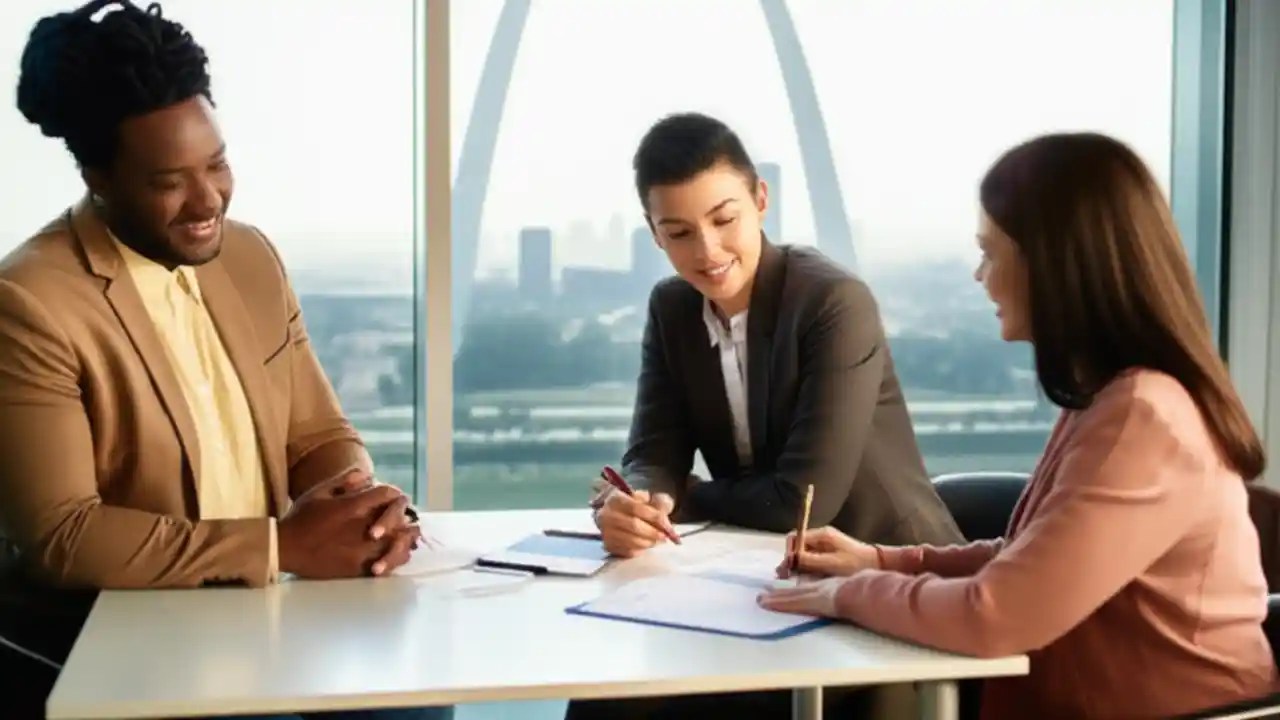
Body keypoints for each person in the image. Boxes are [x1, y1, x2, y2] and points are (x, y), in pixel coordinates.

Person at [0, 2, 449, 719]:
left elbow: (317, 434)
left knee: (414, 701)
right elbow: (64, 536)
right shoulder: (30, 301)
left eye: (217, 163)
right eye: (169, 181)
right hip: (113, 634)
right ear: (98, 177)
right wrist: (281, 546)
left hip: (262, 614)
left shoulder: (248, 256)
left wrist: (357, 511)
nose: (208, 198)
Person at [760, 132, 1280, 719]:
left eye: (991, 252)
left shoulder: (1145, 414)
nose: (981, 276)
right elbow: (1031, 563)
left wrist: (846, 594)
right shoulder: (1112, 396)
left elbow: (996, 614)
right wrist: (882, 562)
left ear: (1055, 263)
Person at [570, 113, 962, 719]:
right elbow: (654, 448)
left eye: (724, 219)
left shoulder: (832, 302)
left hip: (886, 581)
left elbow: (801, 500)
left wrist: (688, 497)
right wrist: (635, 502)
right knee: (611, 699)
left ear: (759, 200)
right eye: (678, 232)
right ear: (654, 235)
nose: (707, 251)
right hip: (766, 581)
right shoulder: (672, 307)